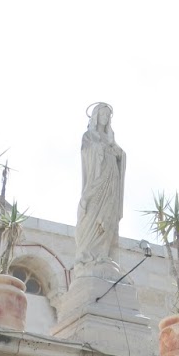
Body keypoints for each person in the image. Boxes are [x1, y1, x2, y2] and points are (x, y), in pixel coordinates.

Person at [75, 103, 125, 269]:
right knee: (93, 214)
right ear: (96, 117)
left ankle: (103, 253)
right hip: (97, 180)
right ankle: (88, 253)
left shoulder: (111, 137)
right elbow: (87, 153)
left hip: (112, 180)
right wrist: (101, 148)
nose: (105, 118)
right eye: (102, 115)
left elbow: (120, 155)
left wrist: (116, 150)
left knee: (109, 215)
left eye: (107, 116)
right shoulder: (89, 136)